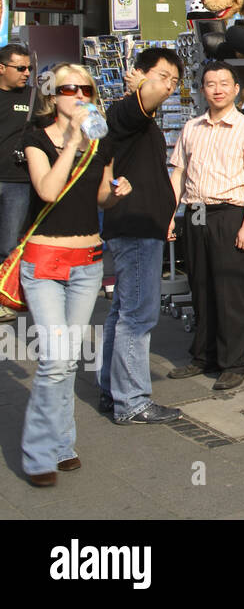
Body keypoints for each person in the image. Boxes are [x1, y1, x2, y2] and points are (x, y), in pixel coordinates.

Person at [20, 64, 131, 487]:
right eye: (69, 87)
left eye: (86, 87)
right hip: (45, 260)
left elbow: (100, 198)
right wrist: (71, 142)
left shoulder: (102, 139)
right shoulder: (36, 137)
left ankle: (63, 444)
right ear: (52, 95)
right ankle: (39, 455)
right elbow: (47, 190)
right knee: (56, 359)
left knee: (67, 360)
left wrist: (116, 192)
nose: (79, 93)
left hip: (87, 261)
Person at [97, 48, 185, 424]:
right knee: (138, 315)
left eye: (175, 81)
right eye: (163, 76)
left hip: (143, 226)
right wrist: (143, 86)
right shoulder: (126, 111)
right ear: (138, 76)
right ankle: (132, 401)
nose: (169, 86)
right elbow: (146, 98)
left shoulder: (140, 119)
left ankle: (111, 390)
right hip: (133, 227)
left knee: (122, 311)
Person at [167, 60, 244, 391]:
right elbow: (178, 174)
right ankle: (203, 355)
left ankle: (234, 362)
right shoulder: (191, 128)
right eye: (211, 84)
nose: (218, 89)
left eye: (224, 83)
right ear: (202, 90)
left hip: (229, 213)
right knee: (200, 285)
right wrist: (170, 216)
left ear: (237, 89)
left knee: (231, 291)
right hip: (195, 212)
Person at [0, 43, 33, 322]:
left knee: (10, 243)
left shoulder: (33, 97)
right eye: (20, 68)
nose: (26, 74)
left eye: (28, 69)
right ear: (2, 68)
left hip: (18, 181)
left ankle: (4, 298)